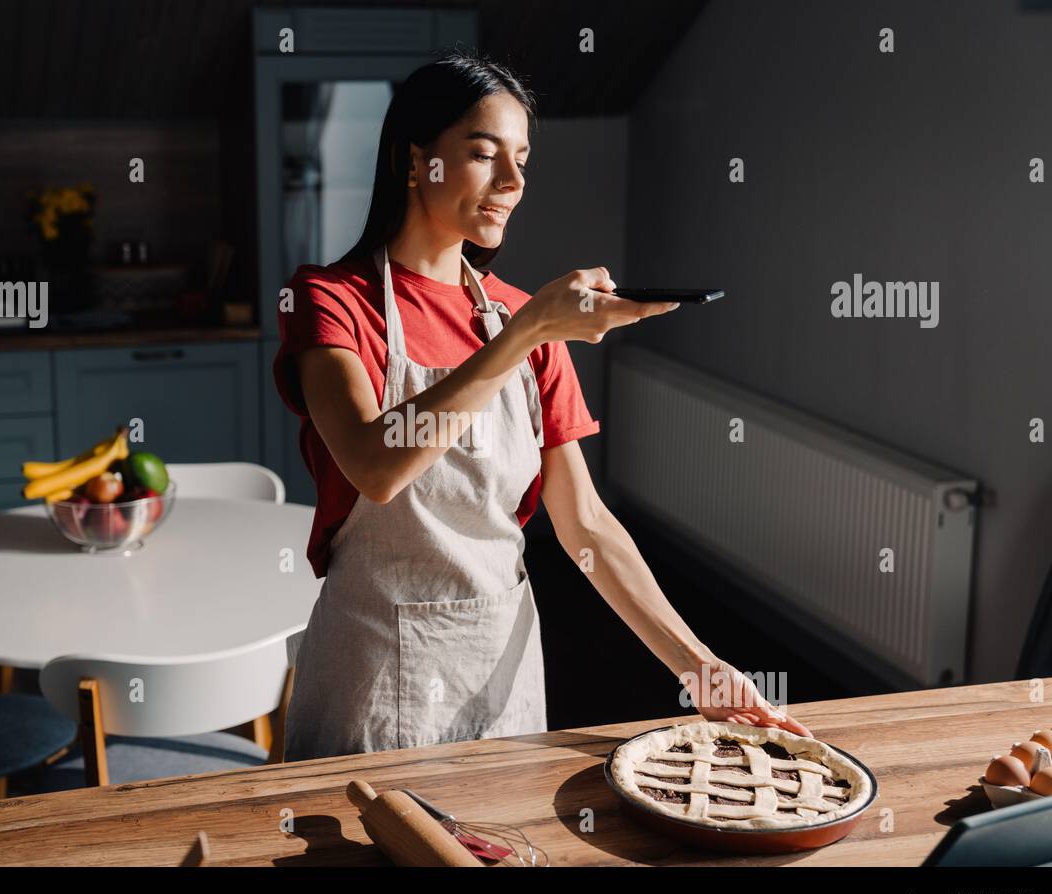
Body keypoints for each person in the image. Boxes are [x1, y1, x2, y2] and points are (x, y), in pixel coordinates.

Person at [272, 50, 809, 762]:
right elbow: (377, 464)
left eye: (521, 158)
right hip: (371, 675)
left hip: (500, 669)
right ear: (415, 160)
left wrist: (699, 665)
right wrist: (527, 332)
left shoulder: (525, 317)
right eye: (484, 153)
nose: (513, 182)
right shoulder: (332, 301)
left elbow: (584, 522)